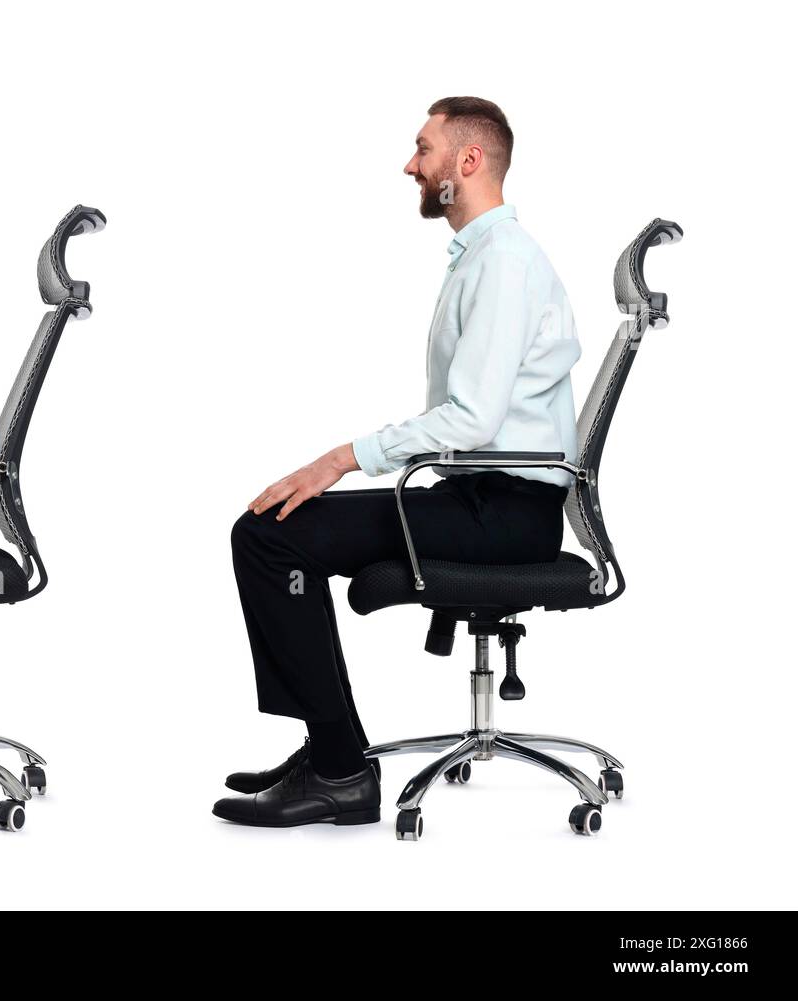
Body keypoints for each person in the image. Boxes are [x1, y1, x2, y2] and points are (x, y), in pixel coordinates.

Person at [213, 97, 582, 828]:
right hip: (487, 503)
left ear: (467, 163)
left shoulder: (505, 262)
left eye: (424, 149)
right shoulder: (486, 257)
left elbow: (474, 419)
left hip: (505, 513)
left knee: (268, 535)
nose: (411, 165)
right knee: (270, 526)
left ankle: (341, 767)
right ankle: (331, 746)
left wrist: (343, 458)